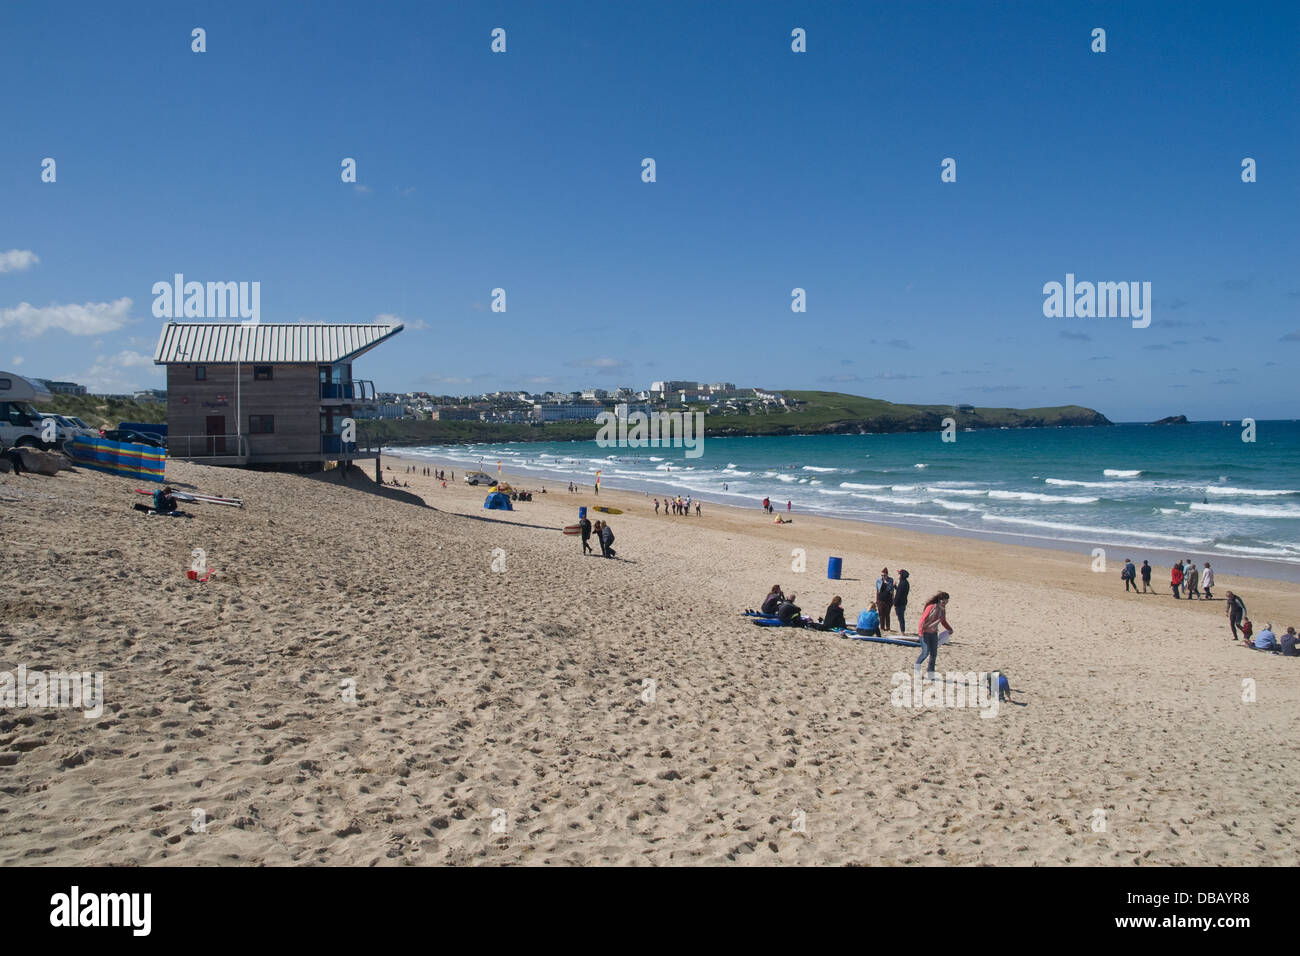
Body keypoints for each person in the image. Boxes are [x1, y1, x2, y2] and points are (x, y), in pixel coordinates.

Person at [915, 592, 952, 679]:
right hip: (924, 633)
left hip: (934, 633)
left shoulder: (942, 610)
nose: (944, 604)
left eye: (946, 602)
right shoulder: (931, 607)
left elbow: (943, 621)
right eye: (943, 602)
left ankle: (930, 674)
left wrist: (949, 629)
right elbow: (922, 619)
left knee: (934, 654)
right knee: (925, 652)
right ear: (939, 600)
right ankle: (917, 670)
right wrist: (920, 632)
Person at [875, 567, 896, 631]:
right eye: (882, 575)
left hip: (888, 600)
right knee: (881, 614)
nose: (883, 576)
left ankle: (888, 627)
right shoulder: (878, 580)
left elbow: (891, 590)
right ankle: (882, 627)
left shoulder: (890, 580)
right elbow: (878, 590)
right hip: (880, 599)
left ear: (887, 574)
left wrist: (893, 599)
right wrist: (877, 600)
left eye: (884, 575)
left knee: (887, 614)